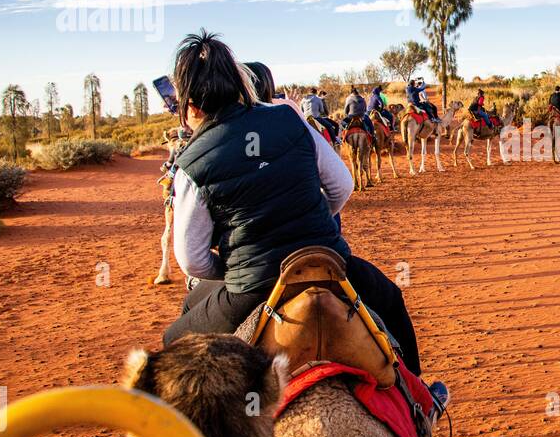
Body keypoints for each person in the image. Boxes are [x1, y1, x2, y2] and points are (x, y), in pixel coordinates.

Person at [163, 35, 423, 375]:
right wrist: (310, 225)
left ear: (191, 105)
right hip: (329, 262)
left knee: (174, 340)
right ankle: (421, 397)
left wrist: (233, 269)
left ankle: (184, 428)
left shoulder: (190, 163)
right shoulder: (288, 117)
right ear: (236, 83)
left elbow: (191, 259)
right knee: (389, 298)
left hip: (253, 286)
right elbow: (342, 186)